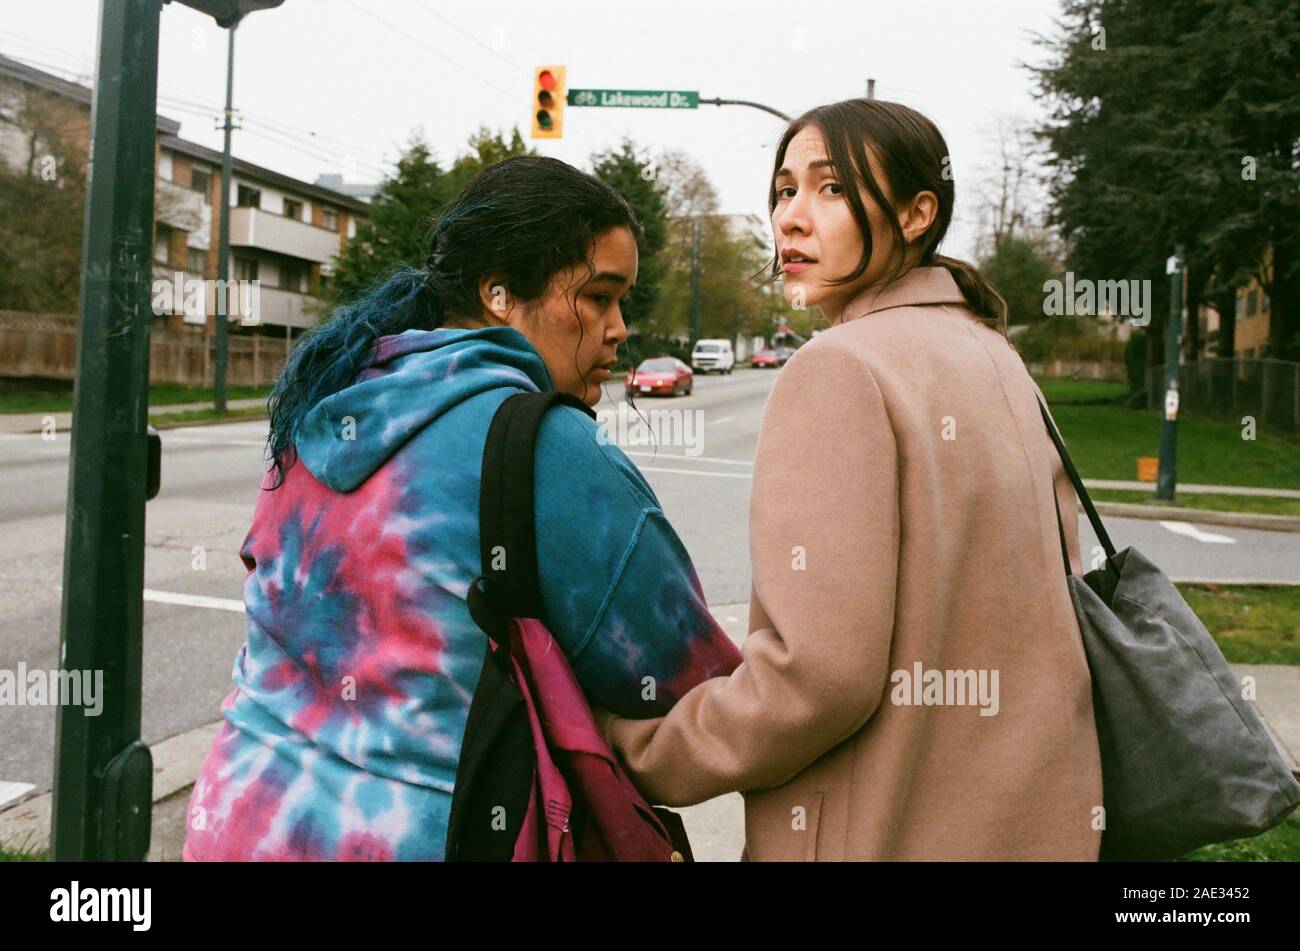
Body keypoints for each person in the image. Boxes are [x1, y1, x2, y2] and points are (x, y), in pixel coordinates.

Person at [184, 155, 741, 861]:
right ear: (500, 295)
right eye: (599, 296)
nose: (620, 326)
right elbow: (690, 679)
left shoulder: (324, 404)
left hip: (238, 818)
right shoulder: (547, 448)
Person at [599, 99, 1104, 861]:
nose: (792, 219)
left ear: (916, 212)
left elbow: (819, 677)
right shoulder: (996, 355)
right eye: (784, 189)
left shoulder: (839, 370)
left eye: (831, 188)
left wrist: (645, 751)